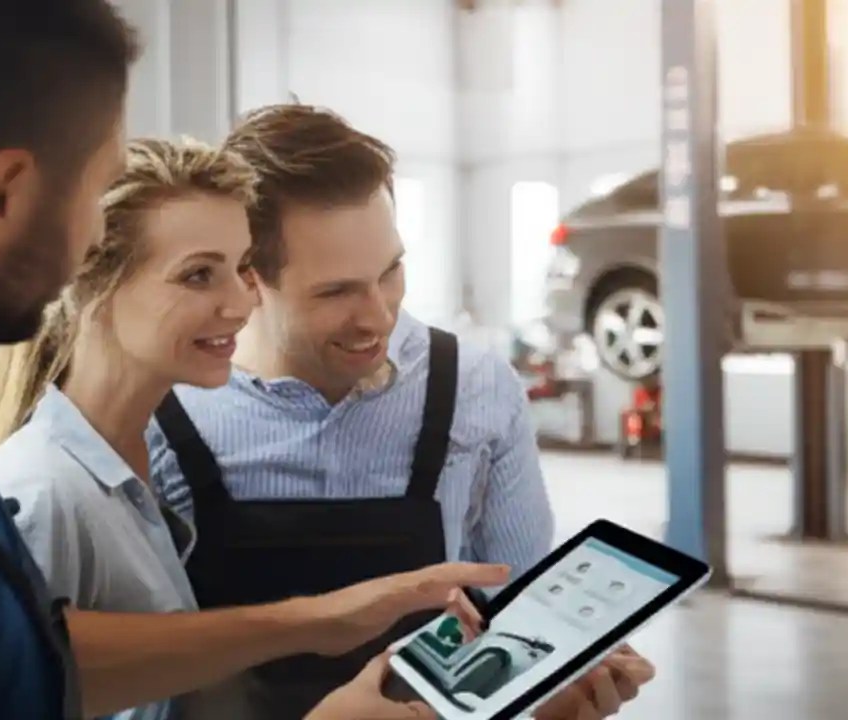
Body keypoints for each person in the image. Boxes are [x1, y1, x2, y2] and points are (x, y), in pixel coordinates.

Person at [0, 4, 499, 719]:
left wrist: (312, 620)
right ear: (5, 196)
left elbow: (22, 657)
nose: (92, 237)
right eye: (98, 187)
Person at [147, 104, 657, 717]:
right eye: (337, 291)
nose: (380, 315)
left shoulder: (476, 388)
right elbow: (130, 678)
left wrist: (556, 699)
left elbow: (515, 631)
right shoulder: (166, 410)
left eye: (390, 272)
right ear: (248, 278)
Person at [0, 136, 499, 719]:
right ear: (89, 281)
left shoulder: (128, 475)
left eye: (242, 268)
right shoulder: (46, 497)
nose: (243, 304)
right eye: (198, 275)